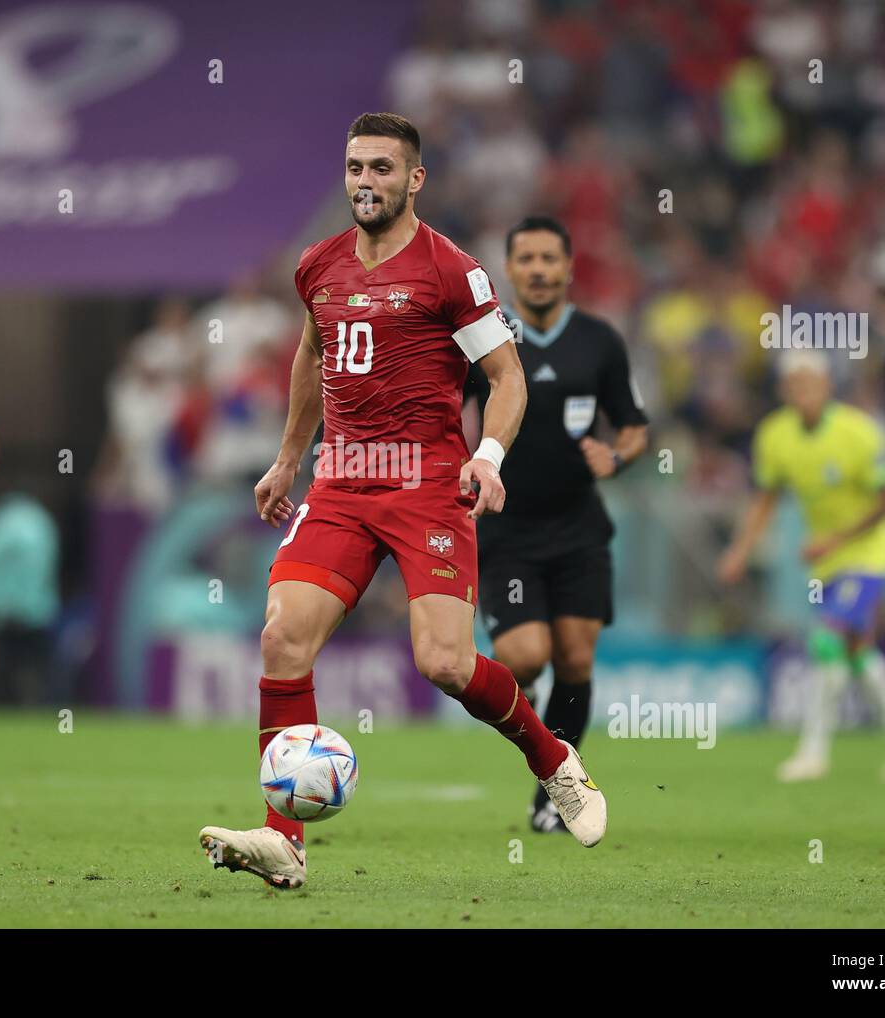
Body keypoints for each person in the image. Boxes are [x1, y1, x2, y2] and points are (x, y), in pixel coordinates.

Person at [199, 113, 607, 890]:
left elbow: (508, 378)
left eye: (383, 169)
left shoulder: (452, 271)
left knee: (446, 664)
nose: (366, 182)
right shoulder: (317, 266)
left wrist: (487, 457)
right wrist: (288, 458)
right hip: (343, 481)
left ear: (414, 180)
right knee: (283, 638)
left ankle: (553, 759)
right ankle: (285, 842)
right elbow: (313, 353)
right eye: (356, 167)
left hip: (428, 484)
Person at [466, 216, 648, 832]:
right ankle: (547, 754)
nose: (539, 269)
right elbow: (449, 409)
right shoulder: (485, 340)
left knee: (574, 657)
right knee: (523, 656)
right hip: (506, 527)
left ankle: (558, 788)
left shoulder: (599, 341)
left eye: (550, 258)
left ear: (569, 268)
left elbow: (633, 424)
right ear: (509, 269)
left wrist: (618, 454)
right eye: (527, 259)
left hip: (578, 531)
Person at [717, 350, 885, 782]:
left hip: (869, 552)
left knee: (827, 639)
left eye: (810, 383)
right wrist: (740, 549)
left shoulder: (859, 433)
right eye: (794, 384)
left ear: (828, 386)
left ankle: (814, 752)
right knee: (855, 647)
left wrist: (835, 539)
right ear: (783, 390)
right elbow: (766, 498)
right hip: (828, 558)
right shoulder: (775, 436)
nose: (802, 392)